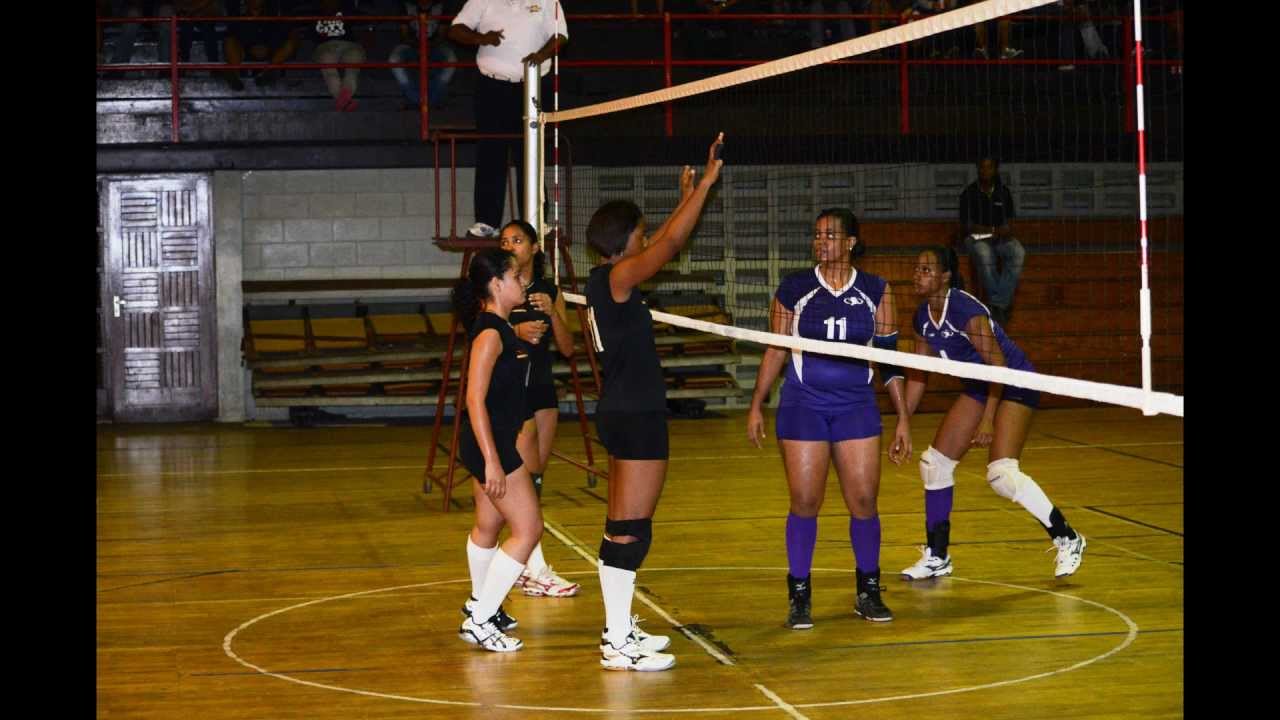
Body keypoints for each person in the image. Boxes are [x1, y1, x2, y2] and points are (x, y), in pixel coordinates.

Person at [584, 132, 723, 671]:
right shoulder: (619, 278)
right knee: (632, 527)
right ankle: (618, 641)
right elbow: (668, 247)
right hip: (635, 415)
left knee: (620, 522)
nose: (648, 241)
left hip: (621, 410)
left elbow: (664, 238)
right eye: (639, 234)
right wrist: (705, 188)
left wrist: (684, 200)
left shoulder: (604, 279)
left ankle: (617, 632)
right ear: (625, 241)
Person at [747, 208, 910, 630]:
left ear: (851, 242)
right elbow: (775, 348)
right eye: (817, 236)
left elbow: (890, 361)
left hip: (856, 405)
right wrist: (757, 403)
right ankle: (799, 594)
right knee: (804, 501)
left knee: (863, 501)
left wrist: (904, 419)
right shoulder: (795, 288)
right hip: (804, 405)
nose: (821, 242)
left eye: (831, 235)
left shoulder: (876, 290)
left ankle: (868, 590)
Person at [899, 246, 1086, 581]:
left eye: (926, 270)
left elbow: (998, 368)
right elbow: (918, 373)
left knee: (1001, 474)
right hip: (979, 383)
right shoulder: (921, 319)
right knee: (934, 464)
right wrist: (902, 423)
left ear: (945, 276)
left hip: (1013, 381)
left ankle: (1067, 537)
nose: (917, 275)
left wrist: (988, 419)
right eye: (916, 269)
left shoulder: (966, 312)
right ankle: (938, 556)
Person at [451, 247, 544, 653]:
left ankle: (479, 602)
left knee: (489, 527)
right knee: (528, 530)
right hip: (488, 444)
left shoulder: (501, 328)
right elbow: (474, 399)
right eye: (516, 277)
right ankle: (482, 618)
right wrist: (492, 459)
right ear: (496, 284)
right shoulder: (489, 333)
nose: (522, 282)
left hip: (491, 440)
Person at [499, 220, 581, 598]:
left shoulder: (549, 290)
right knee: (522, 476)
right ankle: (535, 565)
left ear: (534, 247)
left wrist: (553, 314)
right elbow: (483, 333)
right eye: (505, 241)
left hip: (543, 389)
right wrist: (515, 333)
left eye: (517, 240)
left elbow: (568, 348)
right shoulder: (500, 287)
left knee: (535, 477)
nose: (510, 245)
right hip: (513, 390)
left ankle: (526, 565)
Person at [448, 0, 568, 238]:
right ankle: (486, 222)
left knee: (531, 155)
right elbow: (455, 29)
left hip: (532, 86)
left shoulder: (547, 1)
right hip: (491, 87)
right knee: (490, 154)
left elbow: (560, 36)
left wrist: (540, 55)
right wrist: (480, 39)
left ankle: (536, 223)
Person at [958, 156, 1023, 325]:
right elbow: (967, 226)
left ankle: (997, 304)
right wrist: (991, 230)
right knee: (984, 253)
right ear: (978, 169)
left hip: (1000, 238)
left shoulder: (1003, 191)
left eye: (989, 167)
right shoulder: (969, 193)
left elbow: (1010, 222)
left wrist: (1006, 230)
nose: (986, 171)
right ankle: (1000, 306)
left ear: (995, 170)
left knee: (1018, 252)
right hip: (976, 239)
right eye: (982, 167)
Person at [389, 1, 458, 109]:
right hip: (410, 46)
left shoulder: (441, 6)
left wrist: (427, 46)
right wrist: (419, 46)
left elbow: (442, 36)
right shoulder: (406, 5)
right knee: (394, 60)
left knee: (451, 59)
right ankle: (420, 100)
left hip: (435, 46)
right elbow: (404, 35)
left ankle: (427, 100)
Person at [224, 0, 300, 90]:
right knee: (230, 41)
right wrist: (249, 48)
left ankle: (267, 73)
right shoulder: (238, 19)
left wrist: (268, 48)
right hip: (245, 57)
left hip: (270, 59)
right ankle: (234, 77)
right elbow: (231, 39)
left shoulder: (273, 18)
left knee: (291, 42)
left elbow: (285, 35)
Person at [312, 0, 367, 111]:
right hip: (325, 46)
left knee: (354, 59)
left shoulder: (347, 10)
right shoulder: (313, 14)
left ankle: (344, 99)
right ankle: (344, 101)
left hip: (348, 45)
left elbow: (366, 18)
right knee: (327, 62)